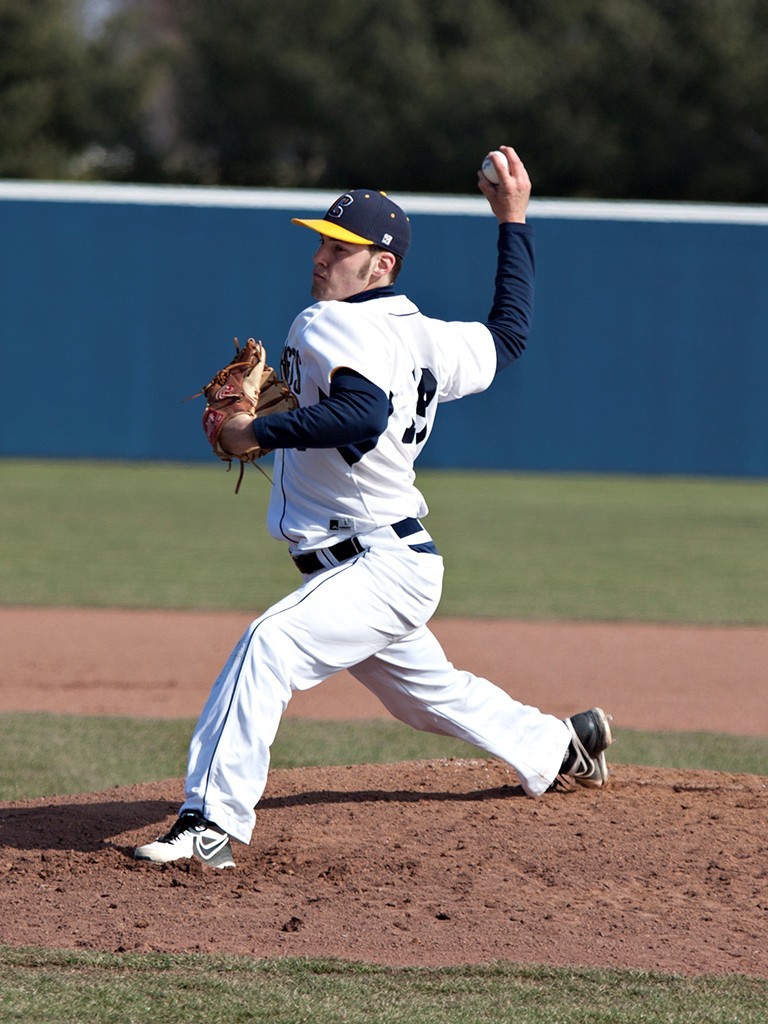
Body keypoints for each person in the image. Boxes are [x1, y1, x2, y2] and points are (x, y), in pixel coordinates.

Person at [135, 147, 612, 870]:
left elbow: (362, 414)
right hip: (388, 560)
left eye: (341, 248)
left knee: (268, 646)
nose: (322, 257)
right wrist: (513, 221)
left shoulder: (327, 323)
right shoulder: (427, 335)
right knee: (430, 698)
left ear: (381, 264)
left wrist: (252, 430)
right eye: (323, 243)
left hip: (373, 562)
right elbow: (509, 334)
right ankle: (561, 746)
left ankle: (210, 824)